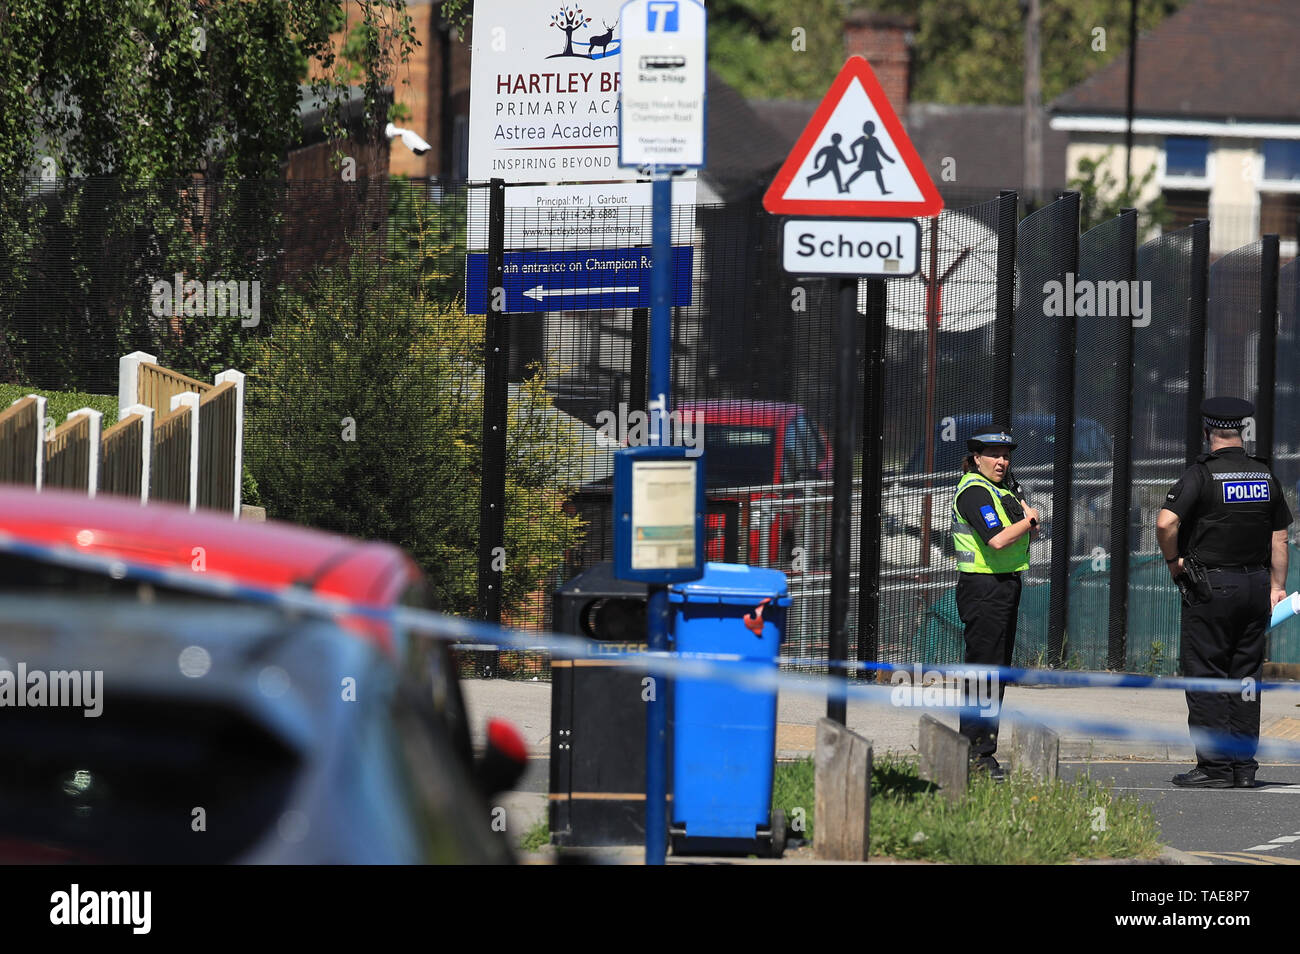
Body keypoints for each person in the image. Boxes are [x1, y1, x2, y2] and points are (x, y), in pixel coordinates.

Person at [1157, 397, 1292, 789]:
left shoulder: (1201, 476)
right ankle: (1244, 767)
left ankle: (1215, 768)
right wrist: (1277, 587)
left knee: (1207, 673)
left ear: (1207, 432)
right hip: (1255, 587)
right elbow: (1280, 538)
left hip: (1212, 587)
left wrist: (1174, 562)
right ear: (1242, 433)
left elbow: (1166, 524)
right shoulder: (1265, 476)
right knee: (1246, 676)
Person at [950, 425, 1039, 779]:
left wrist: (1026, 516)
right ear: (976, 458)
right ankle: (975, 756)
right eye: (994, 455)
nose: (1002, 461)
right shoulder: (974, 492)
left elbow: (1025, 528)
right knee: (983, 675)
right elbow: (998, 540)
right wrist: (1030, 519)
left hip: (1004, 587)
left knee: (994, 675)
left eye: (1006, 456)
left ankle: (983, 753)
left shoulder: (1001, 490)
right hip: (983, 589)